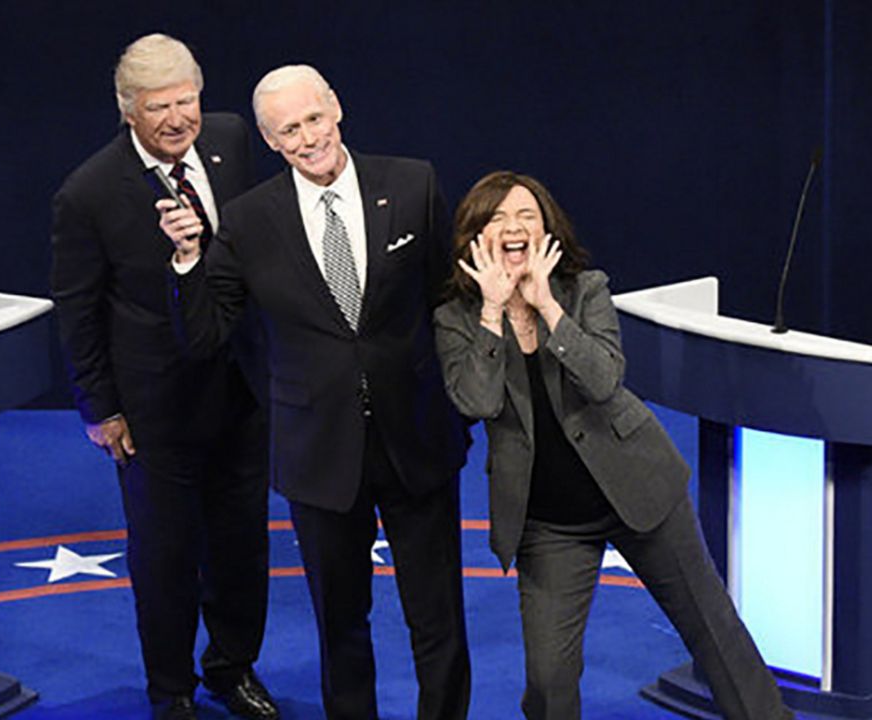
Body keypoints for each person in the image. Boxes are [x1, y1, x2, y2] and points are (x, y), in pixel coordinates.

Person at [160, 65, 471, 720]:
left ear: (336, 107)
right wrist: (188, 261)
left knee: (438, 618)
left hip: (415, 437)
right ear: (271, 142)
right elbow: (207, 335)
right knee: (341, 624)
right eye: (287, 131)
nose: (306, 138)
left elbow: (447, 297)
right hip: (319, 453)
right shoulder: (246, 222)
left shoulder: (412, 184)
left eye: (312, 119)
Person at [433, 171, 793, 720]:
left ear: (547, 230)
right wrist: (492, 312)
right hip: (550, 522)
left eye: (526, 215)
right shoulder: (456, 319)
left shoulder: (586, 290)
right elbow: (476, 402)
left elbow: (603, 381)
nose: (513, 227)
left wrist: (547, 308)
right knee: (549, 678)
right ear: (475, 239)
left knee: (713, 631)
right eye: (496, 218)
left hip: (639, 491)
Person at [50, 34, 277, 720]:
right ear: (128, 112)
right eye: (160, 108)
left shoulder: (232, 141)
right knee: (166, 556)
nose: (179, 119)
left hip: (240, 390)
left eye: (187, 101)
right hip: (154, 409)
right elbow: (78, 310)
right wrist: (99, 409)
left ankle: (232, 668)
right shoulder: (88, 193)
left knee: (241, 542)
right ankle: (171, 690)